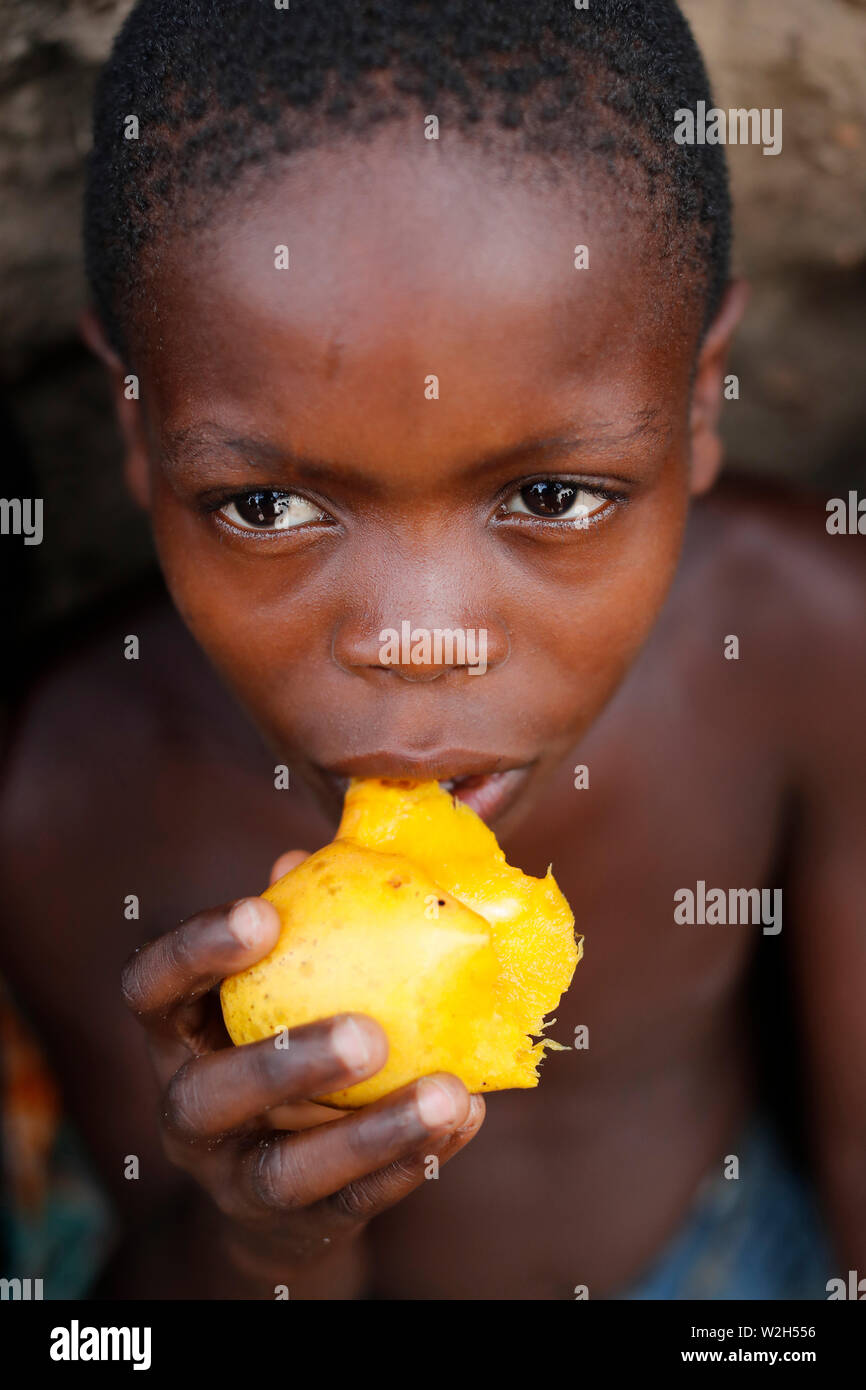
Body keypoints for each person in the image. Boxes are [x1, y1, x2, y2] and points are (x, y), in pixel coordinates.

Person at [1, 0, 862, 1298]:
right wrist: (267, 1236)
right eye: (269, 506)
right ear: (138, 428)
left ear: (697, 400)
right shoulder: (63, 790)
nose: (416, 644)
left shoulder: (806, 637)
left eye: (555, 496)